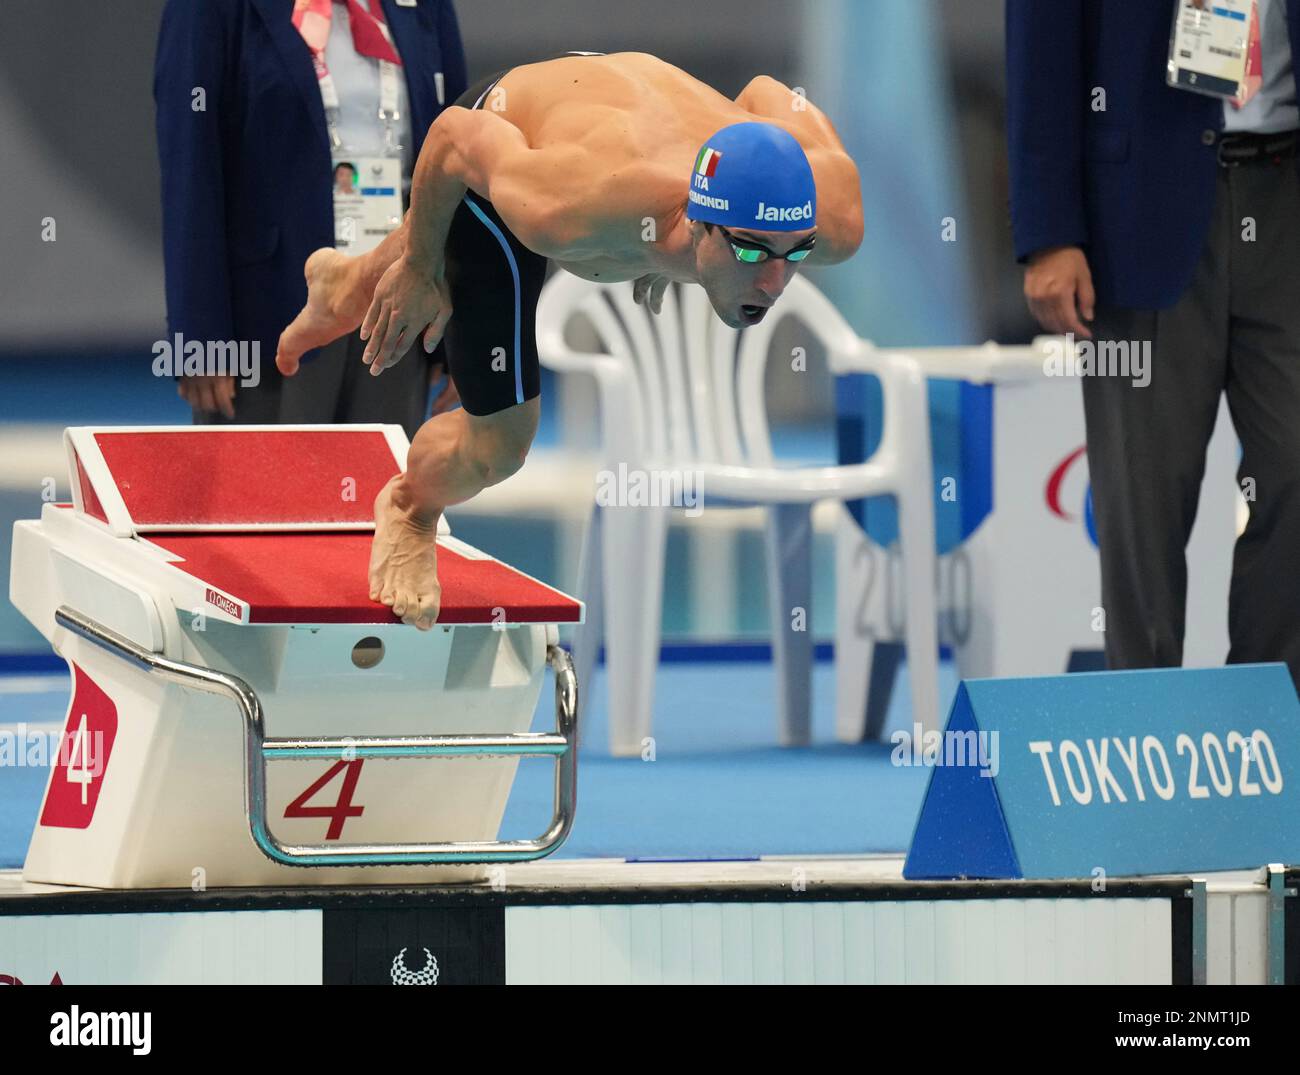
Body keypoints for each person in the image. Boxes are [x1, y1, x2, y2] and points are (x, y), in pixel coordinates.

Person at [274, 51, 864, 630]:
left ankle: (344, 285)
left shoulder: (830, 215)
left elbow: (764, 89)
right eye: (752, 249)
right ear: (699, 223)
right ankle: (410, 508)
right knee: (499, 447)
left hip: (630, 129)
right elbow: (455, 139)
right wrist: (423, 268)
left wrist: (726, 190)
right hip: (508, 130)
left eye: (796, 251)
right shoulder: (574, 200)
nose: (775, 280)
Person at [1007, 1, 1300, 690]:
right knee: (1143, 499)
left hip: (1286, 192)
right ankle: (1142, 721)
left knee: (1294, 466)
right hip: (1139, 207)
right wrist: (1049, 230)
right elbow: (1041, 36)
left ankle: (1266, 720)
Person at [155, 0, 467, 435]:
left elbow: (455, 154)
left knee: (380, 493)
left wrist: (457, 336)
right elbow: (190, 163)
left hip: (396, 301)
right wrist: (199, 343)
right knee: (263, 498)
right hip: (268, 315)